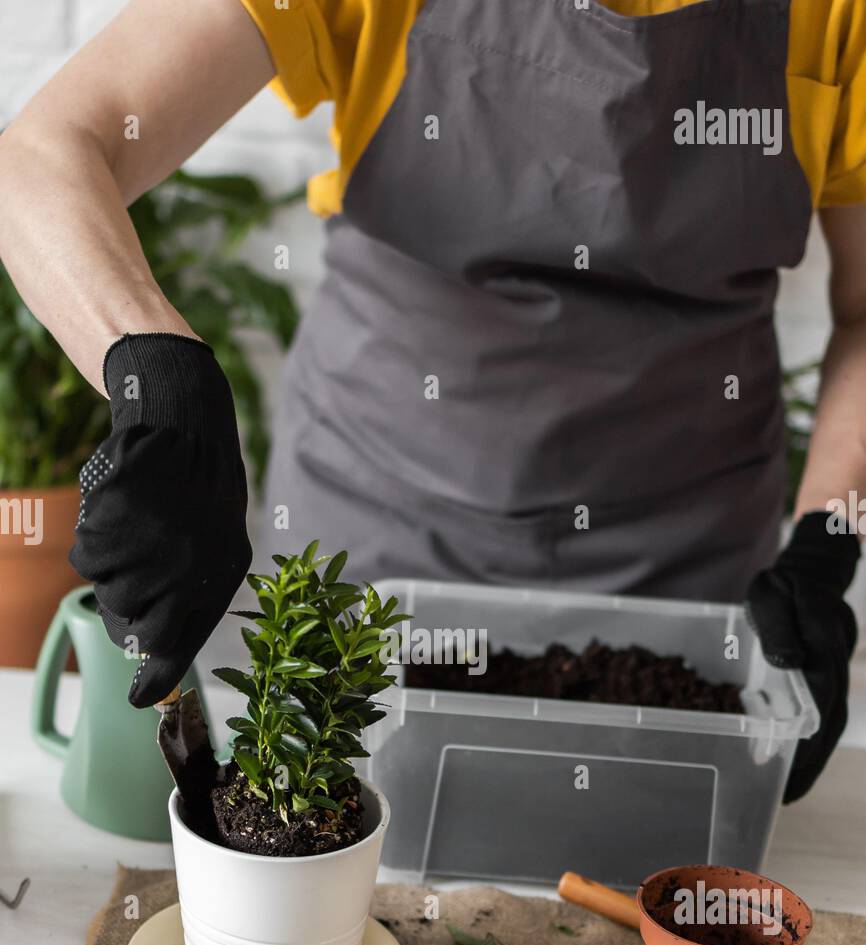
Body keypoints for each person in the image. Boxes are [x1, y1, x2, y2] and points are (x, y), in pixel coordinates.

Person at [0, 0, 863, 802]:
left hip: (676, 579)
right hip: (375, 535)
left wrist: (829, 539)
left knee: (641, 859)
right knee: (335, 843)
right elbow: (43, 154)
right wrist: (161, 376)